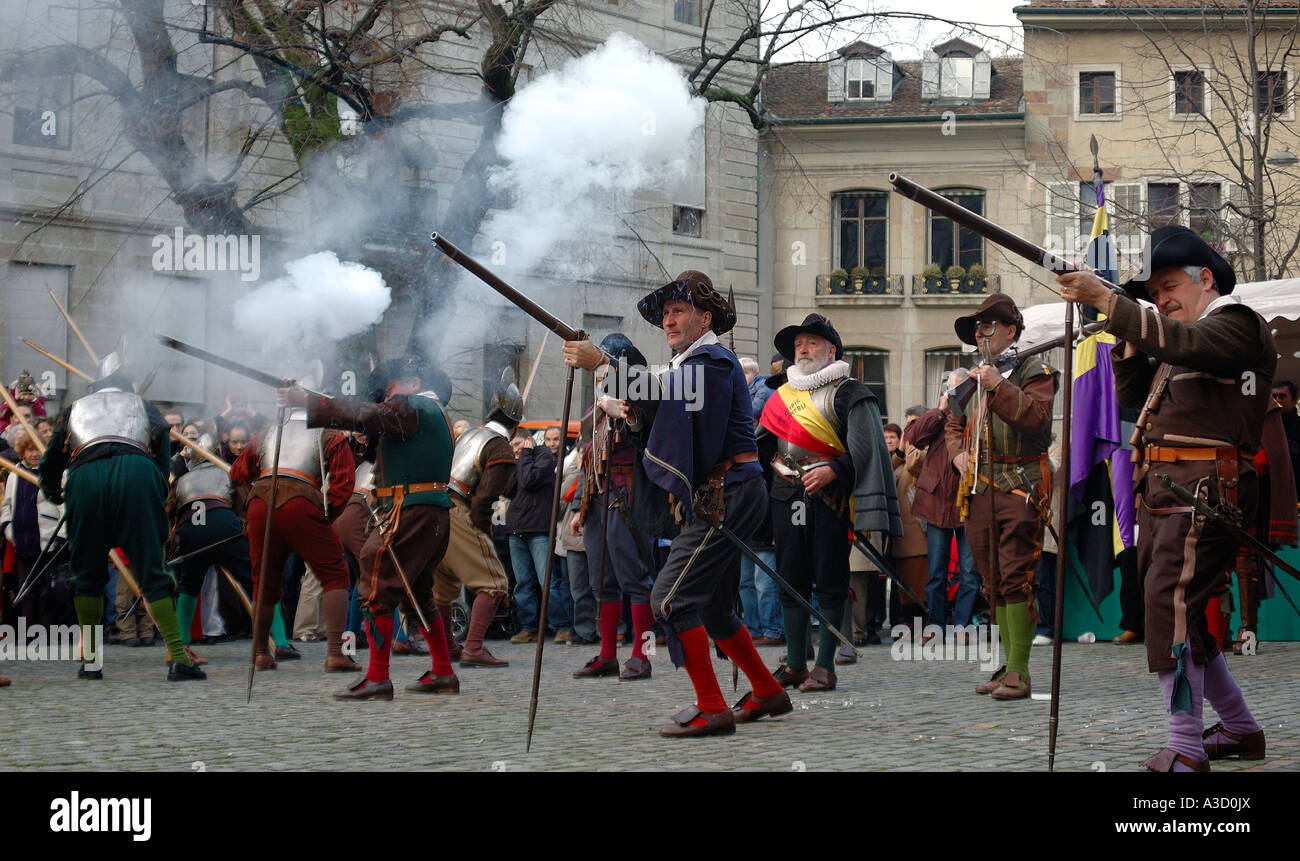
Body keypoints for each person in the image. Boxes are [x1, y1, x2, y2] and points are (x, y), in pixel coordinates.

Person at [1058, 224, 1273, 770]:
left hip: (1206, 489)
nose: (1162, 299)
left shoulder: (1237, 324)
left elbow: (1188, 343)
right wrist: (1129, 334)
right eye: (1153, 294)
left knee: (1167, 606)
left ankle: (1185, 747)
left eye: (1169, 286)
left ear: (1206, 278)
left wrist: (1114, 302)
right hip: (1171, 492)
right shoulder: (1178, 341)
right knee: (1186, 615)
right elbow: (1133, 397)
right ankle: (1242, 730)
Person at [564, 270, 791, 737]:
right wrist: (628, 402)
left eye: (679, 310)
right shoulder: (690, 365)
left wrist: (603, 365)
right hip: (721, 493)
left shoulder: (711, 362)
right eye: (666, 312)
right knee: (709, 606)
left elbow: (676, 393)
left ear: (705, 317)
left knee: (667, 599)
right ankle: (768, 689)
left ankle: (712, 707)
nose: (668, 319)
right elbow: (666, 403)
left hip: (727, 493)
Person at [284, 356, 460, 699]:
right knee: (418, 594)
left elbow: (369, 414)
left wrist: (308, 401)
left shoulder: (411, 405)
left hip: (407, 510)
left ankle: (378, 677)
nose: (387, 399)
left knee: (376, 582)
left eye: (390, 390)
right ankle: (443, 672)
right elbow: (372, 436)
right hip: (427, 511)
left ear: (409, 383)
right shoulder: (427, 414)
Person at [757, 313, 901, 691]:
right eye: (799, 344)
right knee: (790, 579)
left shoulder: (850, 392)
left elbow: (866, 451)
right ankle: (794, 663)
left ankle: (825, 665)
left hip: (831, 499)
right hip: (785, 496)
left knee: (830, 579)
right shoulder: (780, 397)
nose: (803, 349)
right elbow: (763, 449)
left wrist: (834, 469)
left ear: (831, 349)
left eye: (813, 343)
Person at [38, 357, 204, 680]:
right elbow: (161, 467)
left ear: (95, 385)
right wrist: (154, 498)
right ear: (127, 385)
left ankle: (92, 660)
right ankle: (179, 658)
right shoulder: (145, 408)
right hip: (137, 475)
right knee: (153, 572)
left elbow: (51, 461)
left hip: (85, 478)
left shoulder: (74, 408)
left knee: (86, 575)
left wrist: (56, 492)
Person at [944, 294, 1058, 701]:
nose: (980, 333)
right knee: (992, 581)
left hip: (1020, 484)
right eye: (977, 328)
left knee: (1016, 579)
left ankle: (1021, 672)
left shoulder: (1036, 369)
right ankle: (1008, 665)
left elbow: (1037, 421)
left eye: (988, 325)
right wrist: (957, 454)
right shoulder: (972, 378)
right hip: (977, 488)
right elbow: (952, 422)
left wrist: (999, 386)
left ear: (1011, 331)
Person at [229, 387, 359, 675]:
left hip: (260, 502)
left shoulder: (266, 433)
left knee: (264, 581)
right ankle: (337, 654)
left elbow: (238, 473)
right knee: (335, 573)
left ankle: (261, 653)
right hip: (301, 502)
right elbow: (343, 484)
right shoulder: (331, 435)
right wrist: (326, 515)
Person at [571, 335, 658, 680]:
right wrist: (579, 508)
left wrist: (620, 409)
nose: (599, 378)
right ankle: (608, 654)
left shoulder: (641, 404)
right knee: (602, 582)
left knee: (637, 580)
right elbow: (587, 461)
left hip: (630, 500)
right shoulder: (596, 411)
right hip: (598, 500)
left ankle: (644, 654)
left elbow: (645, 435)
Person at [430, 377, 520, 669]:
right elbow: (486, 498)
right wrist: (481, 529)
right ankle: (474, 648)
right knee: (494, 582)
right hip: (459, 510)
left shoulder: (469, 435)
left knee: (442, 586)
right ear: (516, 425)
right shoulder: (501, 448)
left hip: (437, 506)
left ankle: (447, 647)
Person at [905, 376, 980, 635]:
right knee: (936, 570)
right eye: (951, 388)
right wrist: (939, 409)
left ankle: (962, 625)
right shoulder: (938, 417)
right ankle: (935, 623)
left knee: (969, 571)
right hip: (937, 502)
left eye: (960, 387)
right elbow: (913, 437)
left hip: (969, 501)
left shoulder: (976, 413)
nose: (956, 392)